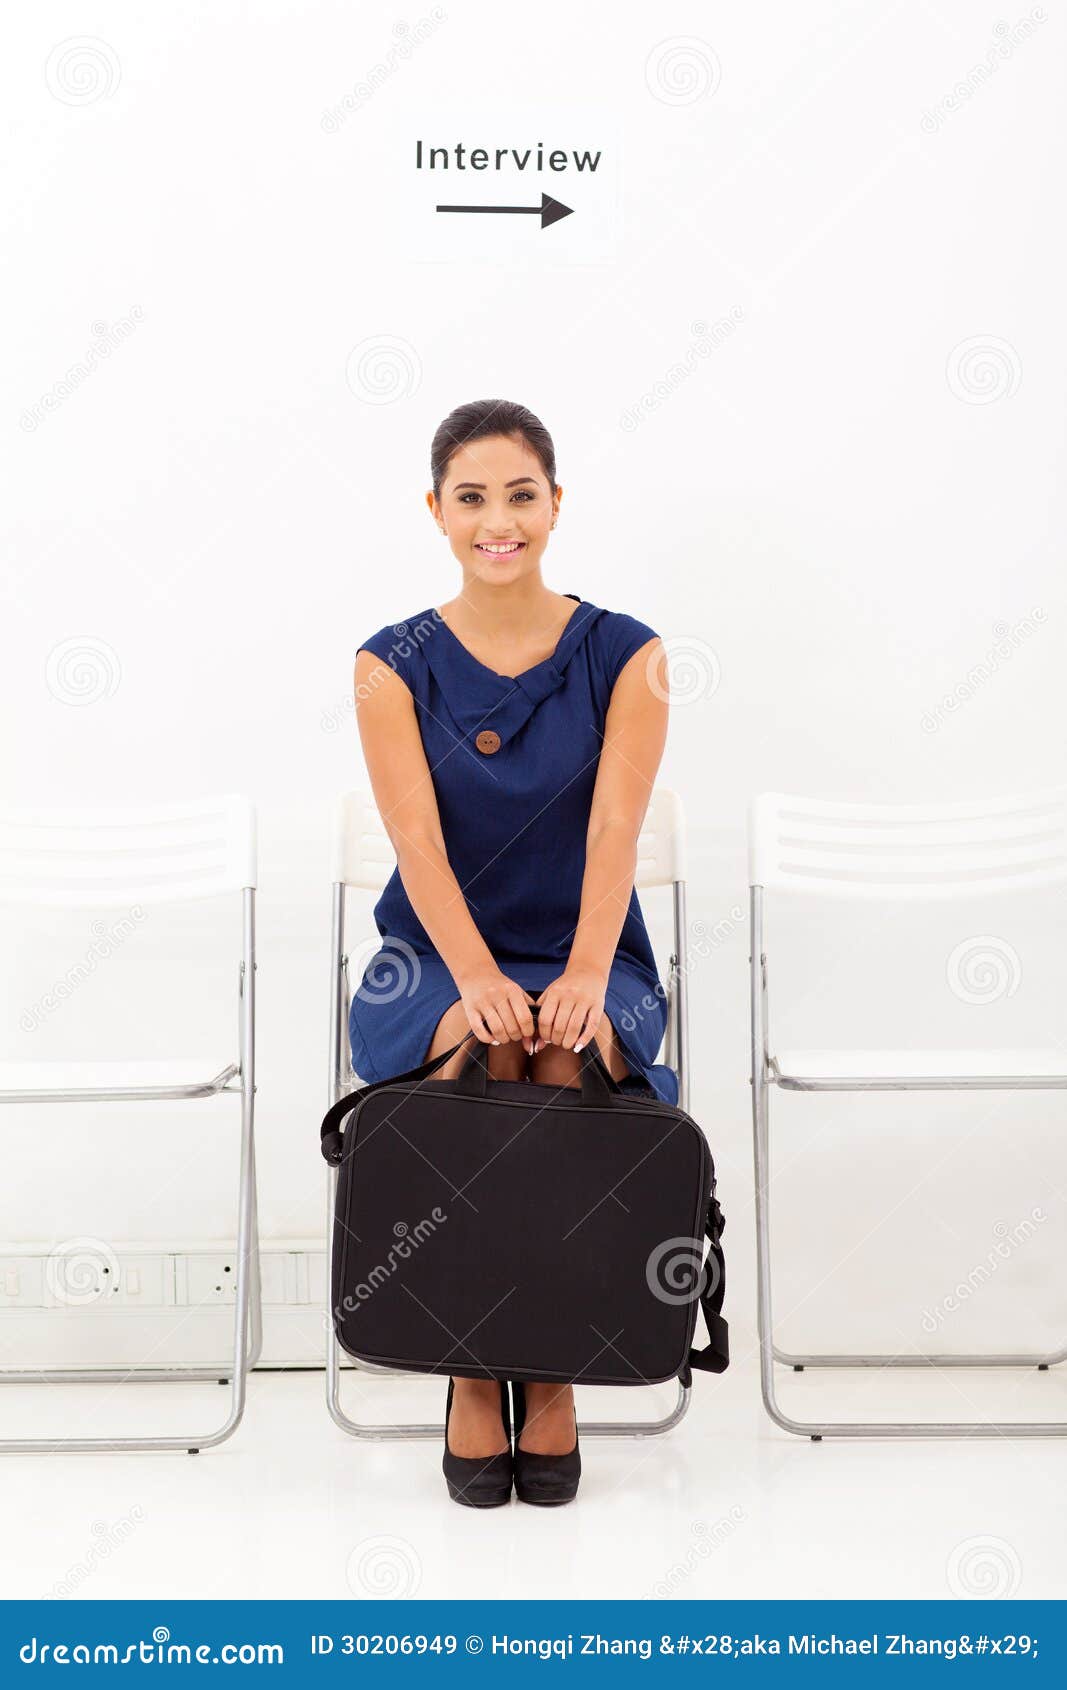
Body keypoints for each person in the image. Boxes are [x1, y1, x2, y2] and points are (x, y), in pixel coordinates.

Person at [351, 398, 673, 1505]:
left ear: (555, 503)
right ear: (436, 511)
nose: (499, 521)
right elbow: (415, 844)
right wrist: (479, 976)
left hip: (590, 948)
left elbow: (614, 833)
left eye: (520, 495)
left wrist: (583, 973)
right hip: (434, 956)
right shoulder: (388, 664)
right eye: (473, 498)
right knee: (487, 1054)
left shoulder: (628, 654)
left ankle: (548, 1365)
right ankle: (471, 1368)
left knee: (558, 1058)